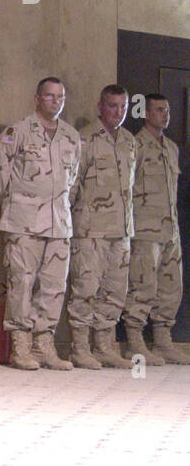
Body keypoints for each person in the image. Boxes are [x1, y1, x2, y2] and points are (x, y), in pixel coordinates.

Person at [0, 78, 82, 370]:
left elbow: (73, 179)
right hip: (24, 224)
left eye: (60, 97)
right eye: (50, 96)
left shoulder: (71, 136)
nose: (55, 101)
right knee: (22, 284)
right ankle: (21, 347)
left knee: (54, 287)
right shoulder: (17, 132)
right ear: (37, 98)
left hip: (59, 225)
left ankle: (44, 346)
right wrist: (17, 203)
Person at [65, 85, 136, 369]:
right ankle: (80, 347)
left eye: (122, 107)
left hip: (121, 230)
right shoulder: (85, 139)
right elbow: (72, 183)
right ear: (100, 107)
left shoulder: (130, 141)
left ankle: (104, 346)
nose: (117, 112)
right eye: (112, 106)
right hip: (90, 230)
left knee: (115, 290)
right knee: (86, 288)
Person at [124, 93, 187, 364]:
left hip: (170, 230)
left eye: (167, 110)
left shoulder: (171, 148)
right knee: (143, 287)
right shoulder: (135, 145)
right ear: (146, 114)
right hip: (145, 230)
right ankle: (134, 341)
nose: (165, 115)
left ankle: (163, 340)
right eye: (159, 110)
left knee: (171, 288)